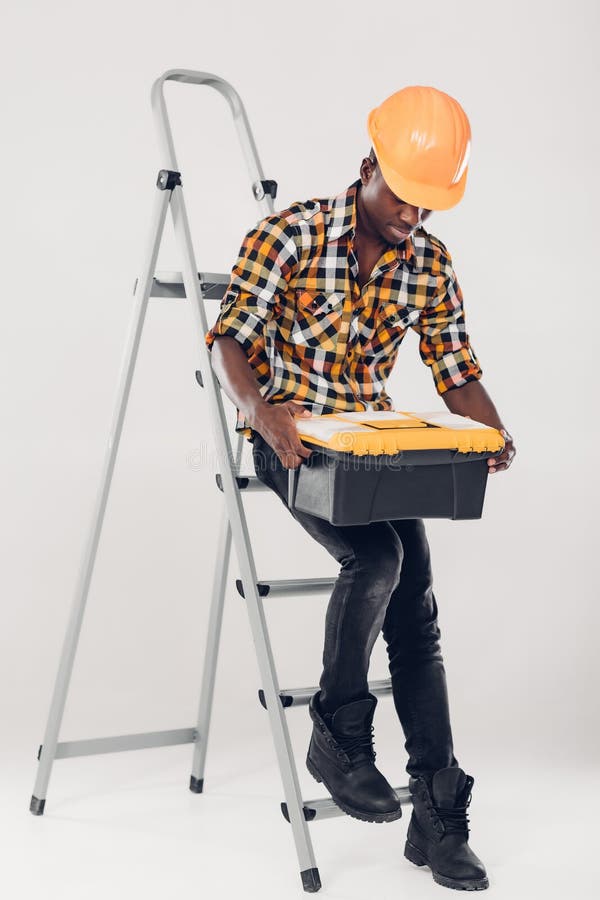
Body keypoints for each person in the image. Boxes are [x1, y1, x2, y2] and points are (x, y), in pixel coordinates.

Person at [205, 85, 516, 892]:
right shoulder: (290, 235)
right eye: (405, 199)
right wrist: (263, 412)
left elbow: (457, 372)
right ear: (368, 165)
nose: (415, 218)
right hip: (294, 439)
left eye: (431, 207)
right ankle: (340, 734)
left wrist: (491, 431)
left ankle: (438, 819)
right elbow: (229, 340)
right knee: (376, 564)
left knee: (417, 612)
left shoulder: (429, 263)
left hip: (373, 447)